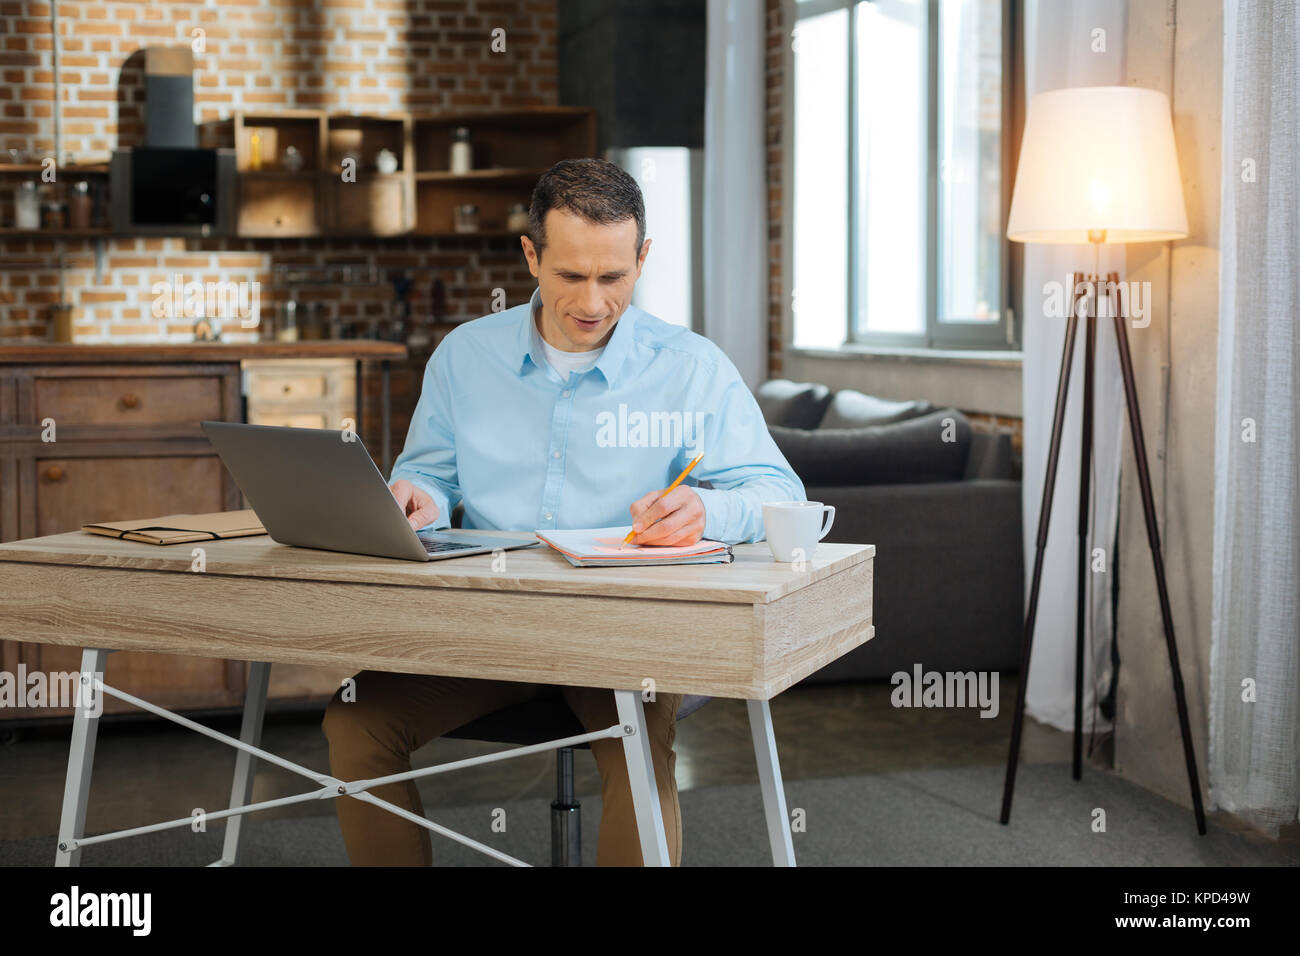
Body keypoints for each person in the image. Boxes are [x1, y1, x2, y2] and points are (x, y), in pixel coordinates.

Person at [322, 158, 805, 866]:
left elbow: (778, 492)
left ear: (642, 258)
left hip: (623, 632)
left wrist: (707, 507)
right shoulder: (464, 358)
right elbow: (428, 472)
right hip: (486, 624)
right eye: (570, 275)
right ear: (530, 256)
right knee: (356, 722)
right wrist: (420, 494)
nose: (592, 300)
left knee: (635, 744)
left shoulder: (692, 368)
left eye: (614, 277)